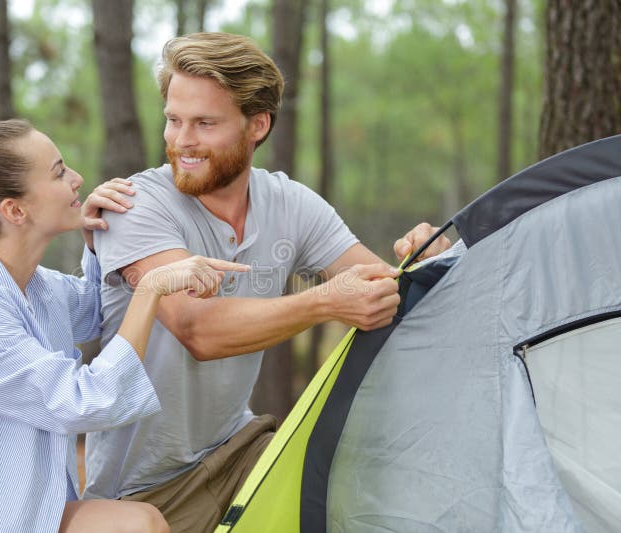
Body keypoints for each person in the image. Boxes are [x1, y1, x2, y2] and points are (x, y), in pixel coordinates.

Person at [83, 32, 452, 533]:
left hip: (238, 450)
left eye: (204, 123)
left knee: (360, 498)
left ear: (257, 125)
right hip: (144, 488)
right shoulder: (134, 206)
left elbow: (381, 288)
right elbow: (199, 331)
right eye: (173, 120)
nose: (181, 140)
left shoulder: (290, 203)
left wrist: (427, 258)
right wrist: (323, 303)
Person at [0, 119, 247, 533]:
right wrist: (152, 289)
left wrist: (96, 245)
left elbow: (97, 311)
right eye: (58, 172)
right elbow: (86, 401)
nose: (78, 179)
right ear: (15, 210)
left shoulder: (33, 286)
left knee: (139, 523)